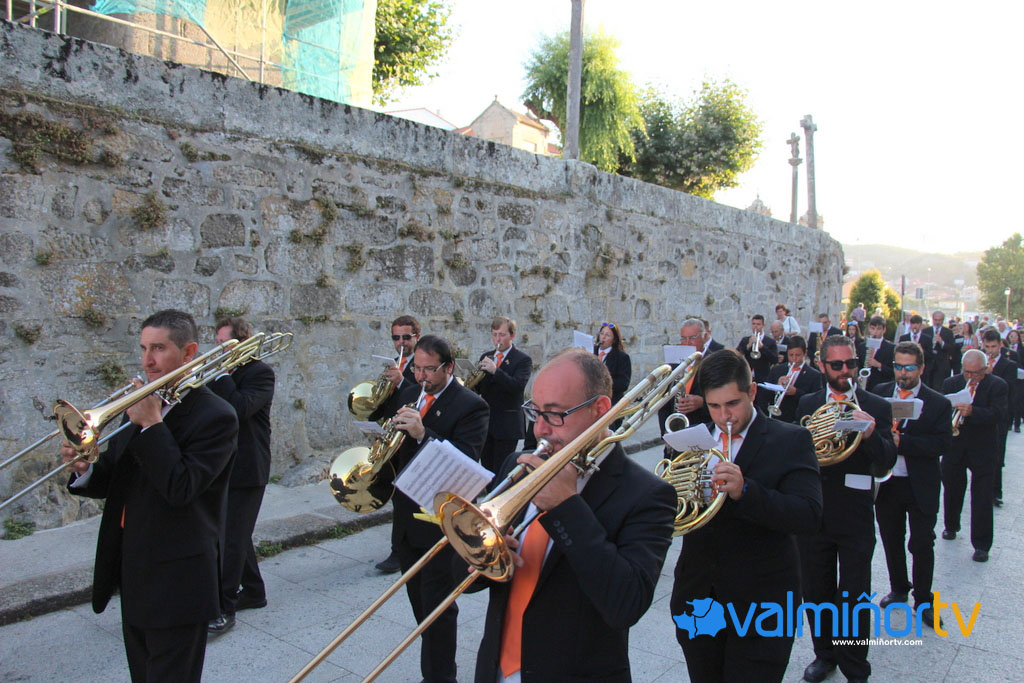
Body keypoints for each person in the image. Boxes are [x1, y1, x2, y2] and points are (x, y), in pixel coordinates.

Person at [469, 348, 676, 682]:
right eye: (535, 412)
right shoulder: (516, 466)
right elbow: (463, 576)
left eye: (555, 414)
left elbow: (626, 604)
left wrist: (567, 508)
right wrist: (486, 559)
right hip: (496, 669)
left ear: (600, 409)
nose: (539, 430)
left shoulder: (648, 494)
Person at [63, 310, 238, 683]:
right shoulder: (142, 405)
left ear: (188, 352)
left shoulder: (216, 415)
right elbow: (117, 477)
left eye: (158, 348)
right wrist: (84, 469)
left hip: (180, 577)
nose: (147, 360)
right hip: (134, 568)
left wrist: (153, 424)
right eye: (144, 348)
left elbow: (181, 488)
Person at [672, 349, 821, 683]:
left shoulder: (792, 439)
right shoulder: (691, 440)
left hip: (762, 603)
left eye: (733, 403)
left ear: (752, 392)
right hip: (699, 598)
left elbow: (809, 515)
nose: (724, 415)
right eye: (713, 406)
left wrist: (747, 491)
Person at [375, 334, 489, 683]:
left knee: (438, 608)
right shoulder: (409, 393)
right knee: (418, 602)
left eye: (429, 370)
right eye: (417, 369)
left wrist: (424, 434)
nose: (421, 377)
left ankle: (441, 677)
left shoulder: (471, 405)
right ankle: (436, 664)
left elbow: (467, 459)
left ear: (448, 367)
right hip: (406, 515)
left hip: (440, 520)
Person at [795, 335, 896, 683]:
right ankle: (825, 655)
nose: (844, 371)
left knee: (853, 593)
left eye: (850, 363)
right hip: (815, 511)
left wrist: (870, 434)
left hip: (855, 514)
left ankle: (854, 664)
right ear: (822, 366)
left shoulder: (876, 406)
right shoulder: (807, 404)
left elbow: (886, 463)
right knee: (817, 588)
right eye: (836, 365)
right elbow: (795, 454)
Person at [871, 342, 952, 629]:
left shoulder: (938, 403)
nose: (902, 374)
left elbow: (942, 443)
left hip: (921, 483)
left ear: (921, 368)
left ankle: (924, 600)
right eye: (898, 366)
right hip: (888, 482)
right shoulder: (879, 395)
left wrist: (902, 442)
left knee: (921, 542)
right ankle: (898, 588)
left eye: (908, 368)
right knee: (891, 537)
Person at [208, 317, 277, 636]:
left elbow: (239, 408)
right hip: (222, 465)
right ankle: (254, 591)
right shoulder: (220, 375)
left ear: (243, 343)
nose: (219, 349)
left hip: (249, 466)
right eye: (218, 343)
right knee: (236, 532)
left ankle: (223, 607)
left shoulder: (260, 373)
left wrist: (220, 374)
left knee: (231, 538)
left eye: (225, 344)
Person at [941, 349, 1007, 562]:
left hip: (983, 448)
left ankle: (981, 545)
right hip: (955, 445)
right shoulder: (951, 383)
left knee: (981, 496)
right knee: (952, 488)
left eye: (975, 373)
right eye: (966, 372)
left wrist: (973, 412)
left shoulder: (997, 385)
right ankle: (950, 525)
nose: (970, 377)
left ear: (985, 369)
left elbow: (999, 414)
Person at [375, 314, 422, 574]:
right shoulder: (395, 363)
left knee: (407, 497)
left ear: (416, 336)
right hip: (394, 435)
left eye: (406, 337)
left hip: (414, 436)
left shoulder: (423, 363)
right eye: (396, 337)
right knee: (397, 495)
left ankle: (399, 552)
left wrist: (402, 381)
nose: (401, 342)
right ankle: (401, 548)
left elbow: (420, 395)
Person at [475, 316, 531, 473]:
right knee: (486, 468)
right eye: (494, 334)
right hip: (487, 422)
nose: (497, 339)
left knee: (502, 469)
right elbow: (481, 389)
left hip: (507, 424)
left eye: (502, 335)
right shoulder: (486, 357)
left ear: (512, 336)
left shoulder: (522, 360)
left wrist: (495, 371)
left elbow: (517, 386)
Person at [658, 318, 713, 439]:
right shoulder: (673, 364)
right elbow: (663, 402)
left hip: (702, 431)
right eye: (683, 338)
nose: (687, 343)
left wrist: (702, 403)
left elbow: (724, 402)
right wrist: (666, 433)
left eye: (693, 338)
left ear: (704, 337)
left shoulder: (714, 363)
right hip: (675, 432)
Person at [980, 329, 1017, 508]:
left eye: (993, 347)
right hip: (981, 413)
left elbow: (1009, 388)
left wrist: (991, 375)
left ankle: (996, 492)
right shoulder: (979, 362)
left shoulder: (1009, 365)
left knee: (997, 454)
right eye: (987, 346)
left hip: (999, 415)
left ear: (1000, 345)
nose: (990, 350)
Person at [766, 335, 821, 423]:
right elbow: (765, 395)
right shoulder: (776, 370)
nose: (794, 359)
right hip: (779, 419)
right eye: (791, 355)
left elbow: (816, 400)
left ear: (805, 353)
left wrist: (796, 392)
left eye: (798, 355)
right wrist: (777, 387)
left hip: (799, 419)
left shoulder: (814, 375)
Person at [593, 320, 632, 410]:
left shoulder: (622, 357)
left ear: (614, 340)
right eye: (602, 334)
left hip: (611, 402)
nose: (603, 338)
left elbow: (623, 384)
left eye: (608, 335)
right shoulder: (591, 352)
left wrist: (604, 383)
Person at [737, 314, 777, 384]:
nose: (755, 326)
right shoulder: (745, 340)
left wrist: (762, 347)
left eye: (758, 324)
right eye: (753, 324)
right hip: (747, 376)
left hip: (763, 378)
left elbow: (775, 359)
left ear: (763, 325)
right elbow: (737, 353)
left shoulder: (770, 342)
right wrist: (748, 345)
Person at [920, 311, 956, 390]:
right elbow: (922, 347)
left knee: (939, 388)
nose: (937, 322)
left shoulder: (948, 332)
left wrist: (942, 342)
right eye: (936, 320)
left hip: (942, 365)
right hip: (928, 365)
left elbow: (952, 348)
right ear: (932, 320)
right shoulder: (926, 331)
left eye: (940, 320)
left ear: (943, 320)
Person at [862, 315, 895, 392]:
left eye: (879, 329)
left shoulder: (891, 348)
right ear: (869, 329)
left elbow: (893, 372)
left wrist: (879, 365)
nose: (875, 332)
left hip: (882, 387)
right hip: (865, 387)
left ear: (884, 330)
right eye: (873, 328)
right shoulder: (862, 346)